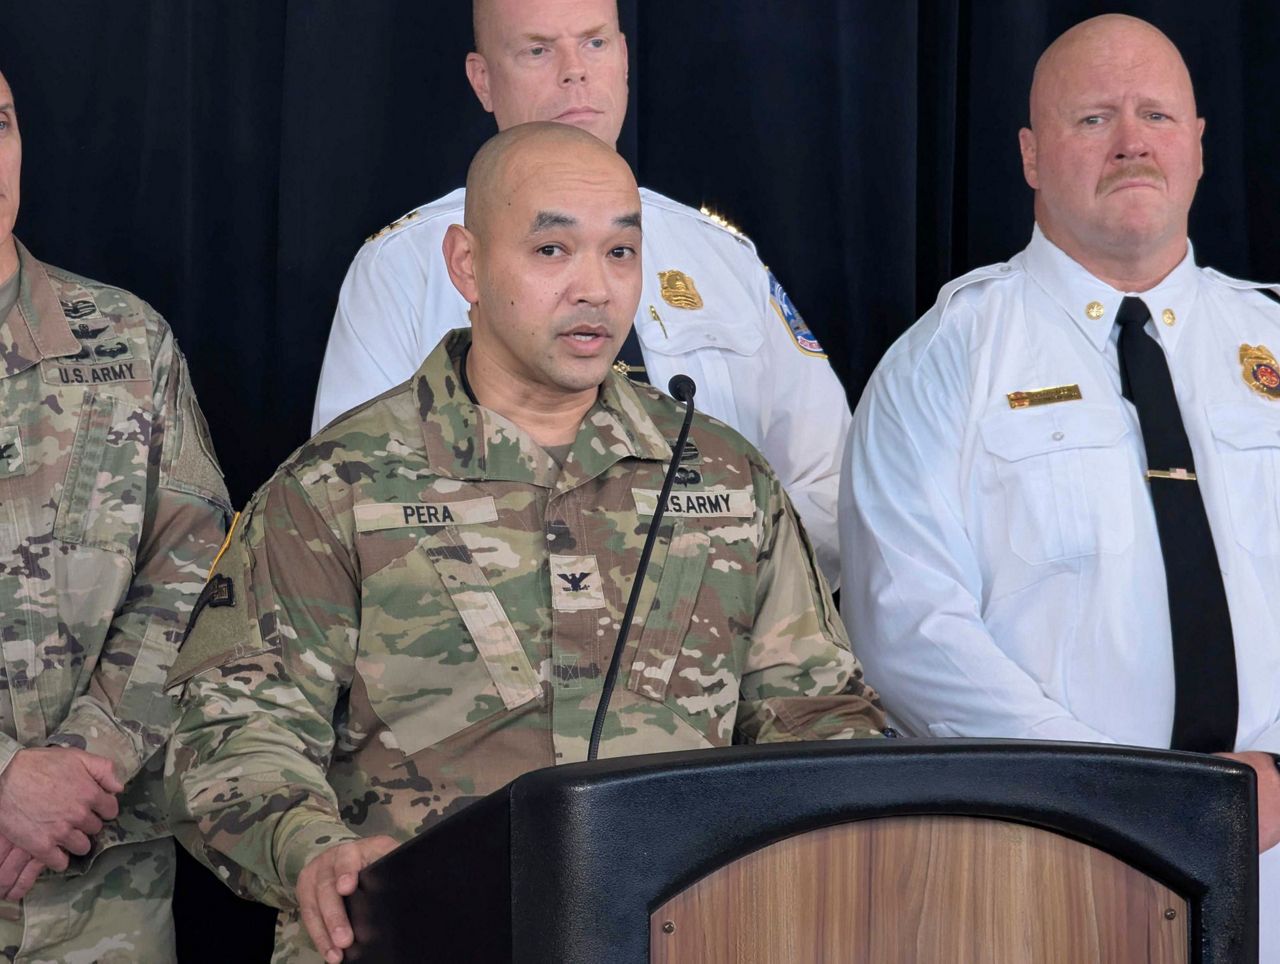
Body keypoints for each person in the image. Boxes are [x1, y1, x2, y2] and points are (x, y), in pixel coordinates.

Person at [166, 122, 884, 964]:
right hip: (417, 937)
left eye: (621, 253)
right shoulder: (341, 483)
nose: (596, 288)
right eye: (552, 250)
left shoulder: (726, 478)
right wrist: (308, 849)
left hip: (683, 935)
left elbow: (816, 715)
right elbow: (229, 726)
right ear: (466, 264)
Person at [841, 14, 1280, 957]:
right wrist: (1114, 793)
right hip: (1044, 861)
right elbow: (909, 631)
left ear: (1200, 146)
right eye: (1092, 119)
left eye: (1157, 114)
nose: (1131, 141)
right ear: (1033, 155)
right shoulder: (943, 361)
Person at [311, 0, 850, 587]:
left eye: (594, 43)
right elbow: (350, 507)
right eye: (538, 50)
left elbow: (829, 484)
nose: (575, 70)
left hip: (714, 650)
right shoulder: (400, 267)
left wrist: (717, 596)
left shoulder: (724, 259)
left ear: (623, 58)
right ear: (483, 80)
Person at [0, 70, 230, 961]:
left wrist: (76, 768)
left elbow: (199, 571)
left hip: (102, 892)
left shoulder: (128, 341)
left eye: (3, 123)